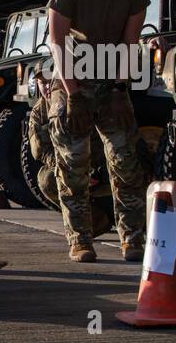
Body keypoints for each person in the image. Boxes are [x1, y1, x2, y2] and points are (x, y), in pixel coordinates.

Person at [46, 0, 149, 263]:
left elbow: (130, 43)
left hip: (111, 83)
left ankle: (132, 238)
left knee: (125, 161)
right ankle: (80, 239)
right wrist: (73, 95)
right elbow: (57, 44)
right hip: (72, 80)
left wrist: (120, 88)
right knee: (74, 164)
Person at [26, 76, 115, 238]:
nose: (47, 87)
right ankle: (93, 221)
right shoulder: (40, 112)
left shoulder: (86, 98)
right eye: (42, 83)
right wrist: (75, 170)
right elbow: (42, 152)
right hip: (70, 167)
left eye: (49, 81)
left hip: (102, 166)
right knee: (46, 180)